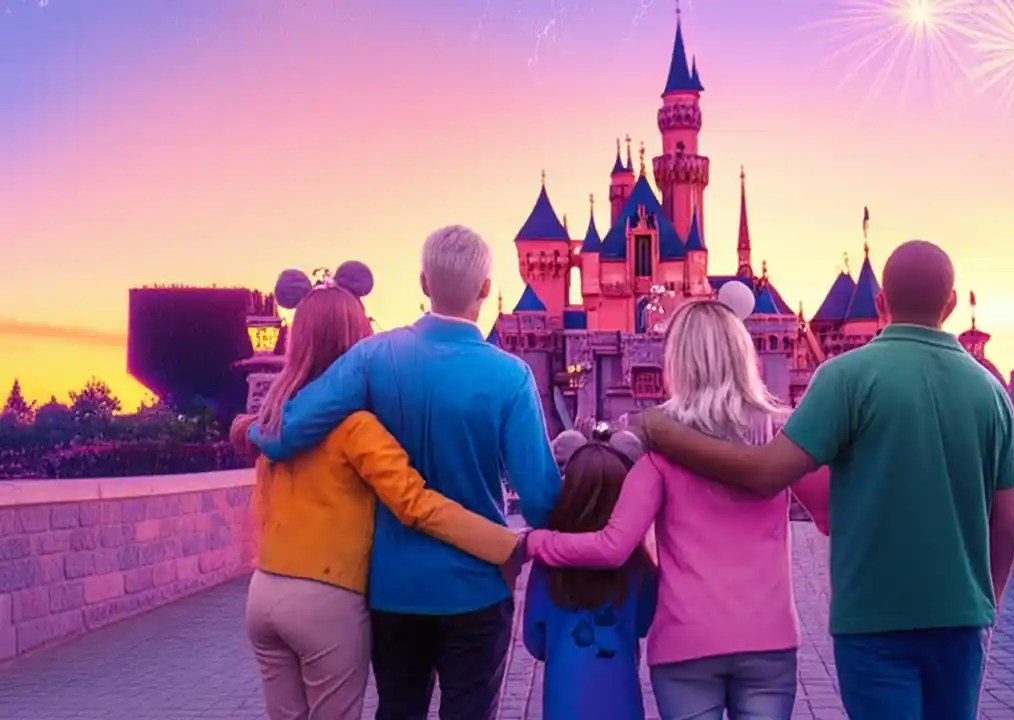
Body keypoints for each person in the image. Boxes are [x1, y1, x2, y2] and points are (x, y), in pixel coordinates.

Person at [637, 240, 1014, 720]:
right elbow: (1008, 527)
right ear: (950, 304)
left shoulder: (846, 377)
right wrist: (987, 608)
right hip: (962, 622)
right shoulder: (991, 393)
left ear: (880, 301)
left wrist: (664, 432)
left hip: (874, 620)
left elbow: (766, 473)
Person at [249, 226, 562, 720]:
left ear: (423, 283)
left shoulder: (374, 356)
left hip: (394, 591)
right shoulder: (511, 376)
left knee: (398, 710)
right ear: (485, 289)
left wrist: (247, 430)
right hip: (476, 588)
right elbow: (542, 500)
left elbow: (285, 434)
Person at [527, 300, 830, 720]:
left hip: (686, 644)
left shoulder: (660, 455)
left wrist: (536, 542)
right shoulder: (781, 441)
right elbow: (829, 513)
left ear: (677, 364)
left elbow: (613, 547)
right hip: (768, 639)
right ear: (744, 356)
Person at [523, 440, 657, 720]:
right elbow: (644, 622)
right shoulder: (637, 563)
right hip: (621, 695)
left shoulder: (547, 561)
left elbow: (535, 637)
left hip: (563, 696)